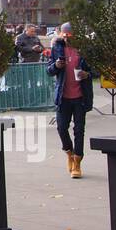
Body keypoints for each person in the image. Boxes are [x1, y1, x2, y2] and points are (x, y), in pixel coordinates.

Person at [46, 22, 94, 179]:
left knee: (79, 130)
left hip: (80, 97)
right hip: (63, 97)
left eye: (69, 36)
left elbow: (96, 69)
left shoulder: (84, 50)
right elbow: (49, 71)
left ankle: (77, 162)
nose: (66, 39)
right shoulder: (57, 49)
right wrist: (56, 65)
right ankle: (69, 153)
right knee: (61, 128)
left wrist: (87, 74)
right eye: (64, 36)